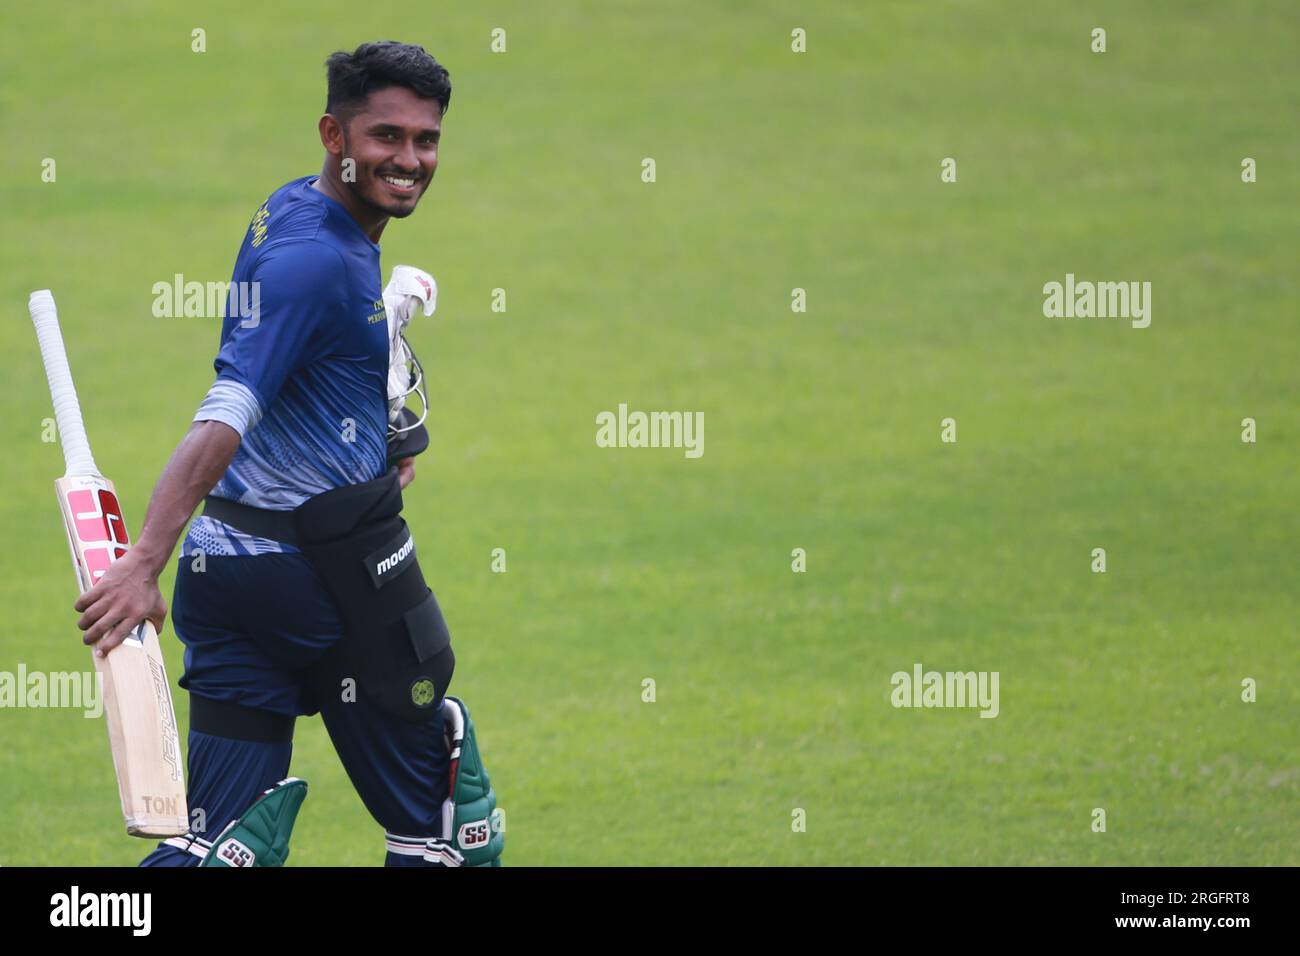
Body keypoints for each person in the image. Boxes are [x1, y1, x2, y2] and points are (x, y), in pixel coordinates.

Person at [73, 41, 463, 867]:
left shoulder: (291, 209)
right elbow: (228, 409)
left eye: (425, 140)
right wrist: (143, 559)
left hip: (229, 574)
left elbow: (301, 370)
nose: (410, 160)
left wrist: (367, 432)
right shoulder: (313, 261)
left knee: (218, 847)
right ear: (334, 134)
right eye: (385, 138)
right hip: (329, 575)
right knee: (448, 835)